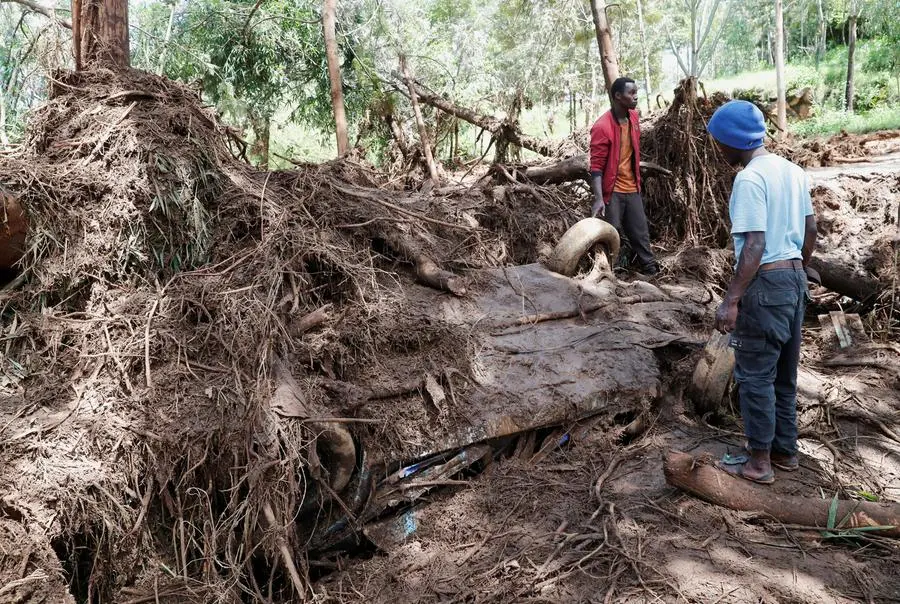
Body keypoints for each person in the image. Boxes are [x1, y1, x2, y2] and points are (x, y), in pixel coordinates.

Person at [708, 100, 818, 485]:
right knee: (784, 375)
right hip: (794, 279)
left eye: (718, 142)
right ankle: (785, 452)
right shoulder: (793, 171)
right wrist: (798, 271)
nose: (718, 150)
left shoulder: (750, 179)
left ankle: (758, 462)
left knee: (755, 375)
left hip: (766, 282)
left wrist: (731, 299)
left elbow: (754, 244)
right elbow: (811, 233)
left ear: (732, 141)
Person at [589, 77, 659, 276]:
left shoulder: (634, 118)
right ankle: (609, 275)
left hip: (632, 187)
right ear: (618, 96)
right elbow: (596, 166)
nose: (636, 96)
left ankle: (651, 270)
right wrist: (599, 198)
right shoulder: (602, 126)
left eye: (636, 92)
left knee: (641, 232)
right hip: (613, 192)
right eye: (631, 93)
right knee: (612, 233)